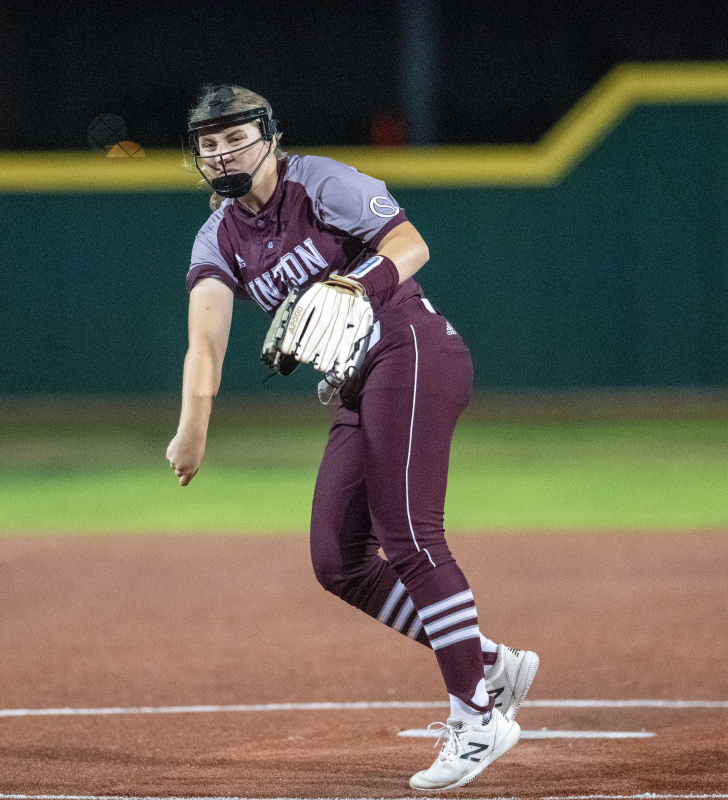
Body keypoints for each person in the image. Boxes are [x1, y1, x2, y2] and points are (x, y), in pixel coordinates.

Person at [166, 84, 539, 792]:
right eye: (208, 144)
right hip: (359, 381)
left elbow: (410, 244)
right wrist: (193, 426)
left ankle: (478, 714)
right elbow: (205, 339)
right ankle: (485, 661)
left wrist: (355, 285)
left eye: (235, 137)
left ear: (270, 136)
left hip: (413, 347)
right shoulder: (217, 234)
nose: (221, 153)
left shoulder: (319, 181)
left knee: (410, 537)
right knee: (337, 559)